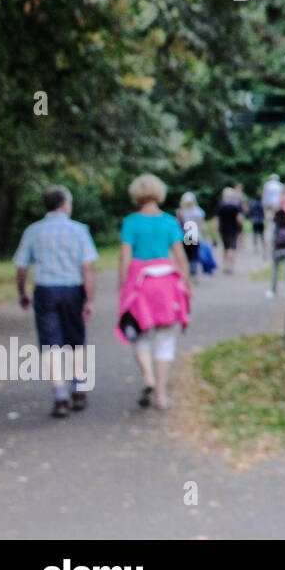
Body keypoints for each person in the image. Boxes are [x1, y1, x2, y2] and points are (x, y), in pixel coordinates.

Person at [12, 186, 99, 418]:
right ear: (65, 204)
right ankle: (79, 389)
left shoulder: (33, 231)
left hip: (45, 291)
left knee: (50, 343)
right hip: (73, 290)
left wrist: (22, 292)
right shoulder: (79, 230)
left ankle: (60, 395)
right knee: (76, 340)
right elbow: (87, 268)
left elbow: (21, 267)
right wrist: (89, 299)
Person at [119, 174, 192, 411]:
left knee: (139, 334)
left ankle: (148, 377)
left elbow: (125, 257)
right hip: (166, 283)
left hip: (141, 283)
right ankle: (161, 395)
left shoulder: (130, 222)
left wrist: (123, 287)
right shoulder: (170, 222)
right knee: (165, 339)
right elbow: (180, 257)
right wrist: (187, 284)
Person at [175, 192, 205, 281]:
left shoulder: (180, 211)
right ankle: (194, 272)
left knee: (186, 256)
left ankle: (187, 274)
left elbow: (177, 225)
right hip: (196, 236)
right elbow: (202, 225)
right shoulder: (198, 211)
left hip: (184, 236)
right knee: (194, 255)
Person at [216, 187, 243, 275]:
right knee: (232, 248)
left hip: (223, 229)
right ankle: (230, 266)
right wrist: (241, 229)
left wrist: (216, 229)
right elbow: (239, 219)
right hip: (233, 229)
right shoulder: (236, 206)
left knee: (225, 247)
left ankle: (225, 265)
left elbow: (216, 218)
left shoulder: (220, 205)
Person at [261, 173, 284, 256]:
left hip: (270, 208)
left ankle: (267, 250)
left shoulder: (267, 185)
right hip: (277, 208)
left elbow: (264, 199)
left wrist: (265, 210)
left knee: (269, 229)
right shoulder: (280, 186)